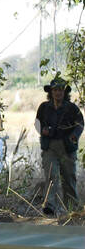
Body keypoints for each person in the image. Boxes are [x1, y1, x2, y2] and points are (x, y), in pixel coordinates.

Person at [34, 75, 82, 214]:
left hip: (67, 147)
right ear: (51, 92)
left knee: (69, 177)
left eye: (61, 90)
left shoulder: (72, 108)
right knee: (51, 176)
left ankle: (72, 209)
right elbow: (37, 123)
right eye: (55, 90)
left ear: (65, 92)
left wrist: (74, 136)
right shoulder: (43, 107)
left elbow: (80, 124)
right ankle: (50, 207)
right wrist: (42, 130)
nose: (58, 92)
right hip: (50, 147)